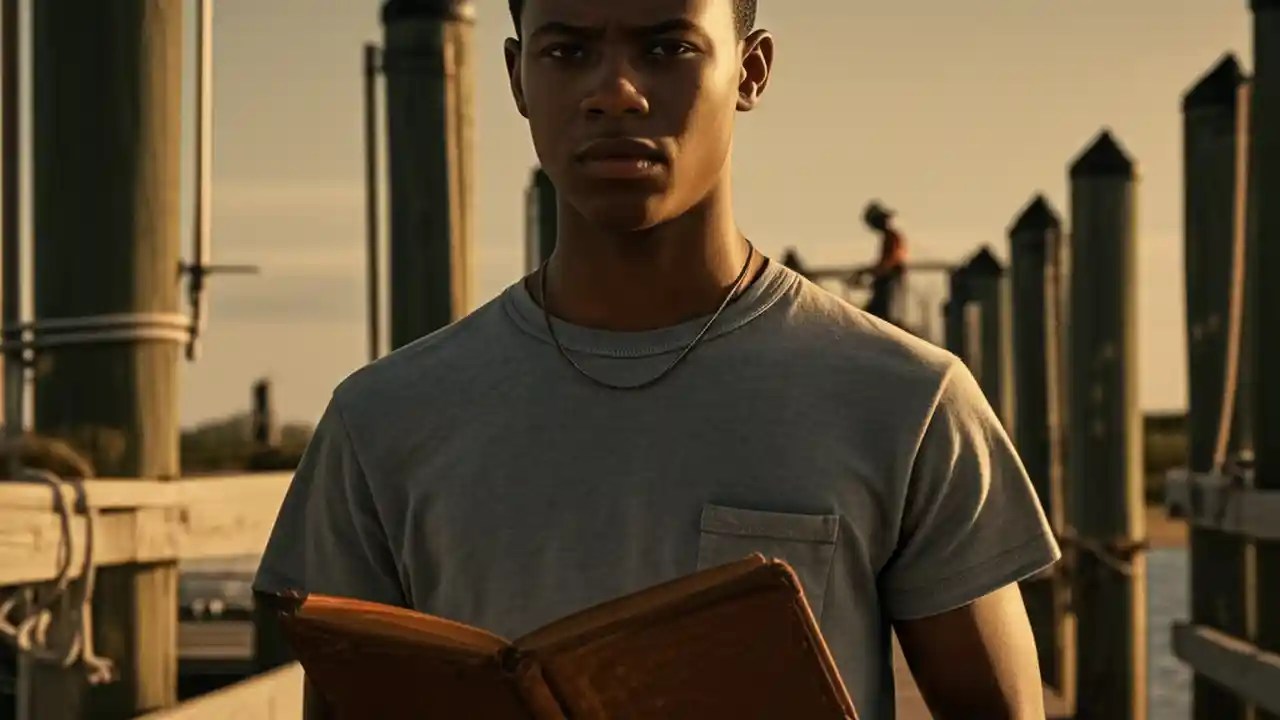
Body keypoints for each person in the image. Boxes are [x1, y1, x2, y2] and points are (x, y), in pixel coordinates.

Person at [253, 1, 1060, 718]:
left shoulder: (907, 402)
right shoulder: (383, 421)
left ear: (751, 71)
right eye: (567, 52)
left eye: (667, 48)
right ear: (517, 77)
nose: (616, 91)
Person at [859, 200, 907, 322]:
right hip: (885, 283)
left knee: (879, 315)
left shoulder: (892, 238)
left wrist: (873, 271)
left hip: (888, 283)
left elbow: (890, 261)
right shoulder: (889, 238)